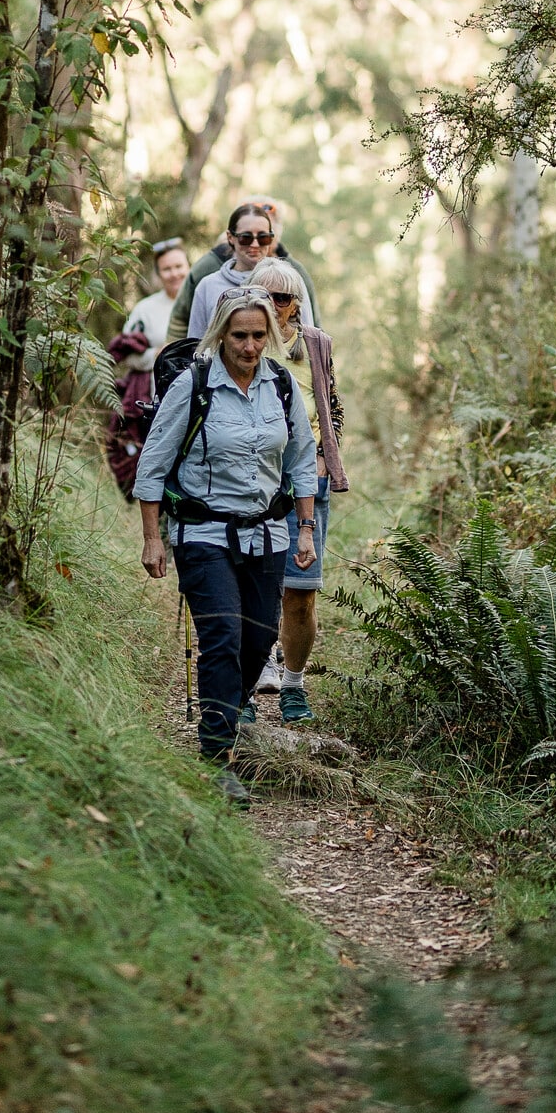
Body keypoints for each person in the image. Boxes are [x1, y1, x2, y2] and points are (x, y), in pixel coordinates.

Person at [134, 288, 318, 805]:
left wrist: (305, 528)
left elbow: (302, 459)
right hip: (204, 534)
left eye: (260, 335)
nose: (251, 345)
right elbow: (152, 464)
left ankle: (227, 724)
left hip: (268, 534)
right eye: (240, 335)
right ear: (220, 334)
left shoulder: (280, 385)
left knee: (259, 645)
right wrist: (153, 538)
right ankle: (216, 760)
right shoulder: (194, 385)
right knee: (223, 639)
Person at [245, 259, 348, 726]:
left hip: (306, 482)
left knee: (300, 593)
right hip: (248, 484)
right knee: (250, 588)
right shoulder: (241, 344)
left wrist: (326, 459)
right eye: (262, 297)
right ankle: (244, 684)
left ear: (295, 305)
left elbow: (332, 409)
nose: (271, 306)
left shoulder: (316, 345)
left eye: (281, 298)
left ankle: (292, 684)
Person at [165, 196, 322, 344]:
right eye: (246, 237)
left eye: (263, 238)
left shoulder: (293, 277)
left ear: (272, 237)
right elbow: (194, 341)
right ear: (230, 237)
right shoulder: (208, 280)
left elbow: (311, 335)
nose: (254, 244)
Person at [105, 240, 190, 500]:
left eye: (179, 266)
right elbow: (128, 356)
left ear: (189, 267)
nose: (174, 273)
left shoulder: (203, 301)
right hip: (157, 395)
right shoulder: (146, 309)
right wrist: (158, 353)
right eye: (167, 269)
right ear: (158, 274)